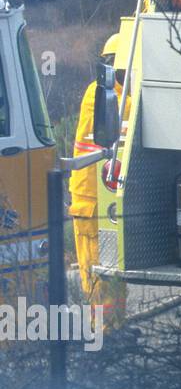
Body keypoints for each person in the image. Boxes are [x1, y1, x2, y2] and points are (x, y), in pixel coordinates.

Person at [70, 34, 128, 329]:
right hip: (91, 200)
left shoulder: (118, 93)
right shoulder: (104, 95)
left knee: (113, 271)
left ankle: (115, 325)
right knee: (97, 272)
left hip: (104, 199)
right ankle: (103, 332)